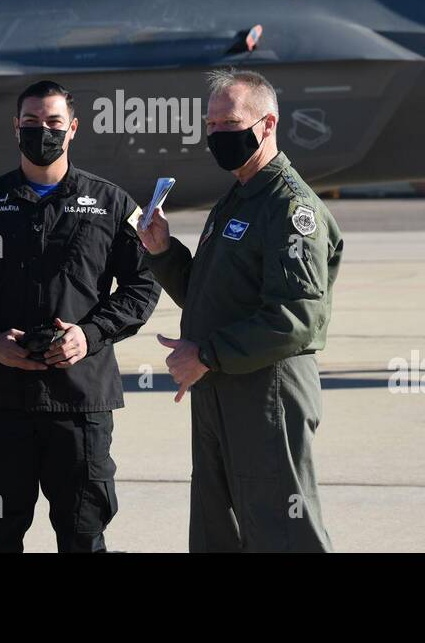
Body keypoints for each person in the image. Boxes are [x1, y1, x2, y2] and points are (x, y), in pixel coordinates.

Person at [0, 80, 160, 552]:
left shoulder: (111, 204)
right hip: (1, 401)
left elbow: (142, 285)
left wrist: (90, 334)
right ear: (15, 128)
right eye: (31, 123)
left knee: (83, 534)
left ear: (73, 128)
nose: (43, 131)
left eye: (54, 122)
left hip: (80, 403)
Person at [138, 67, 342, 552]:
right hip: (222, 386)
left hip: (265, 390)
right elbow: (212, 294)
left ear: (267, 125)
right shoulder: (237, 199)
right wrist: (164, 252)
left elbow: (296, 317)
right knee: (217, 529)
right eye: (210, 126)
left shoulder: (289, 207)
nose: (217, 136)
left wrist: (206, 354)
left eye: (229, 124)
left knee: (281, 529)